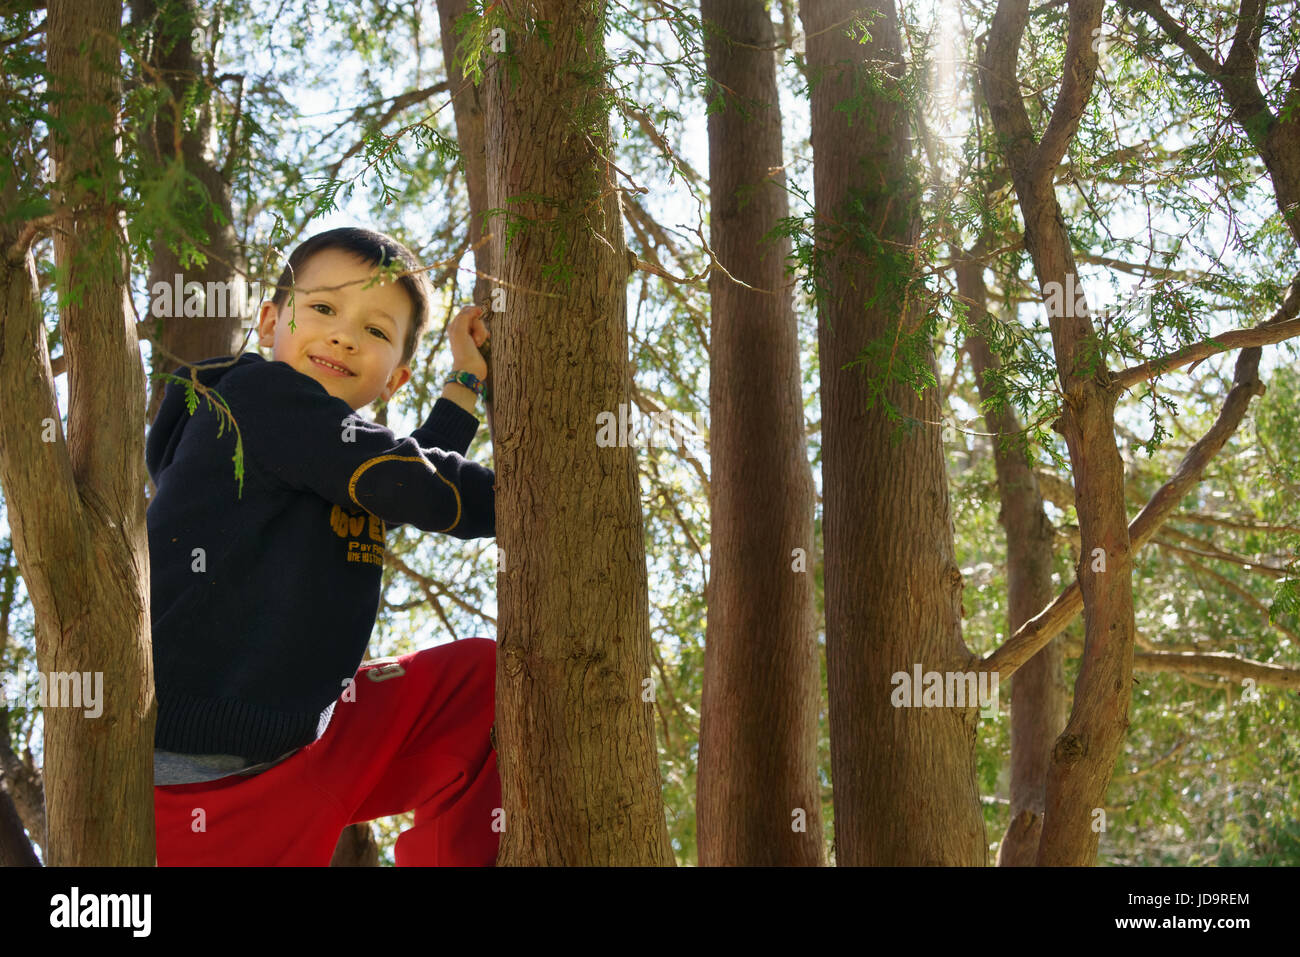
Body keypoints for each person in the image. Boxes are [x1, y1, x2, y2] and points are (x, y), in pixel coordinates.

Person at [147, 226, 500, 866]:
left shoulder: (321, 457)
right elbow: (404, 480)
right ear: (269, 321)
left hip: (306, 740)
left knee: (482, 687)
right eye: (325, 308)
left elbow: (391, 477)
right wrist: (533, 504)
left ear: (395, 379)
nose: (344, 335)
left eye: (375, 331)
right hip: (202, 776)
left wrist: (465, 384)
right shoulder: (255, 397)